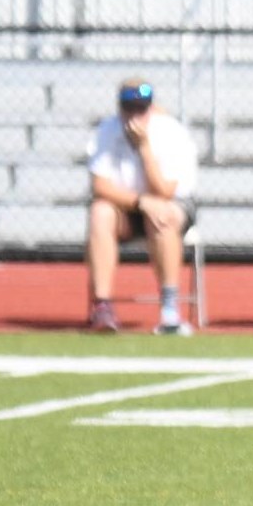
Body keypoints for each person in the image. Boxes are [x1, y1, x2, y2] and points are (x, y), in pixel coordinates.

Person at [85, 78, 200, 334]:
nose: (135, 115)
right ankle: (102, 306)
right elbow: (100, 186)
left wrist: (144, 149)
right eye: (130, 108)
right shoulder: (107, 131)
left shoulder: (170, 132)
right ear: (120, 108)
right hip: (128, 207)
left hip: (168, 205)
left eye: (141, 108)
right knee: (100, 213)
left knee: (162, 216)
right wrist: (140, 202)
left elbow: (165, 191)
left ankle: (170, 307)